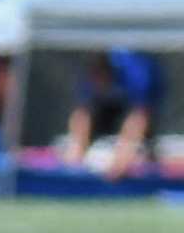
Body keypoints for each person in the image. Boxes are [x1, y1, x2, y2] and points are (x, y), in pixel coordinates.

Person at [67, 48, 163, 180]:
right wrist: (74, 161)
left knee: (143, 140)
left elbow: (139, 116)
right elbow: (82, 113)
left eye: (100, 78)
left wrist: (121, 160)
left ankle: (151, 169)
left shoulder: (138, 74)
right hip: (110, 106)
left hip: (138, 101)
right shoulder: (90, 75)